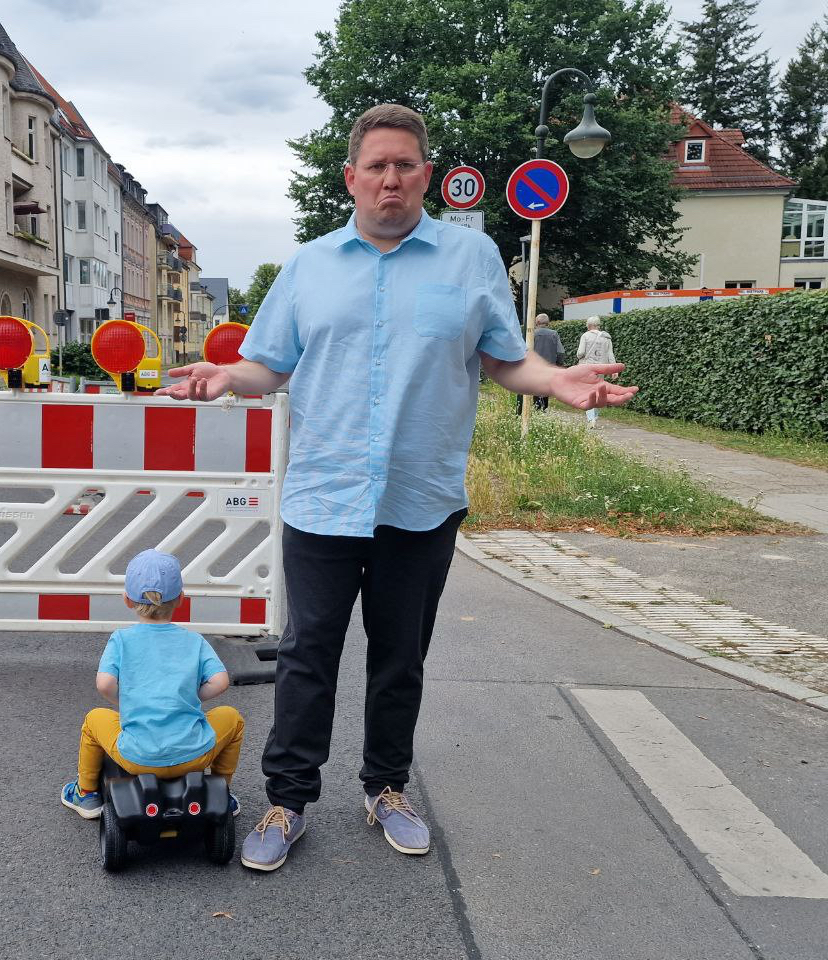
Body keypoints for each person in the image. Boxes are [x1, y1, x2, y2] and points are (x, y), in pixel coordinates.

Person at [157, 103, 635, 872]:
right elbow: (268, 364)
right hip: (324, 495)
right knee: (310, 652)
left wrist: (558, 383)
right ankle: (288, 800)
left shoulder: (469, 261)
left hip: (420, 499)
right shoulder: (308, 266)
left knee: (400, 656)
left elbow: (505, 359)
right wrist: (225, 378)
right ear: (351, 177)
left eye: (404, 165)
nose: (390, 179)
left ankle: (386, 787)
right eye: (375, 166)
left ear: (426, 176)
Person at [61, 549, 244, 820]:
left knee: (93, 721)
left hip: (137, 756)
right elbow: (221, 681)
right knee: (233, 719)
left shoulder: (122, 640)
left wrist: (127, 702)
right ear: (181, 599)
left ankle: (86, 794)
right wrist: (189, 697)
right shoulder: (194, 641)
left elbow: (104, 683)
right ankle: (219, 792)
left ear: (126, 599)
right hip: (193, 754)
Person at [575, 318, 617, 427]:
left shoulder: (585, 336)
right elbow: (610, 354)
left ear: (588, 325)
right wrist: (614, 369)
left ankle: (591, 419)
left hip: (587, 368)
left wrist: (579, 356)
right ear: (598, 325)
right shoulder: (606, 337)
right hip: (600, 368)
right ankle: (595, 416)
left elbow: (580, 353)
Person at [529, 313, 564, 411]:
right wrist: (558, 363)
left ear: (537, 322)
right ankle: (544, 409)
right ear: (547, 322)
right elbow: (560, 351)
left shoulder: (532, 334)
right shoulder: (554, 334)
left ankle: (536, 409)